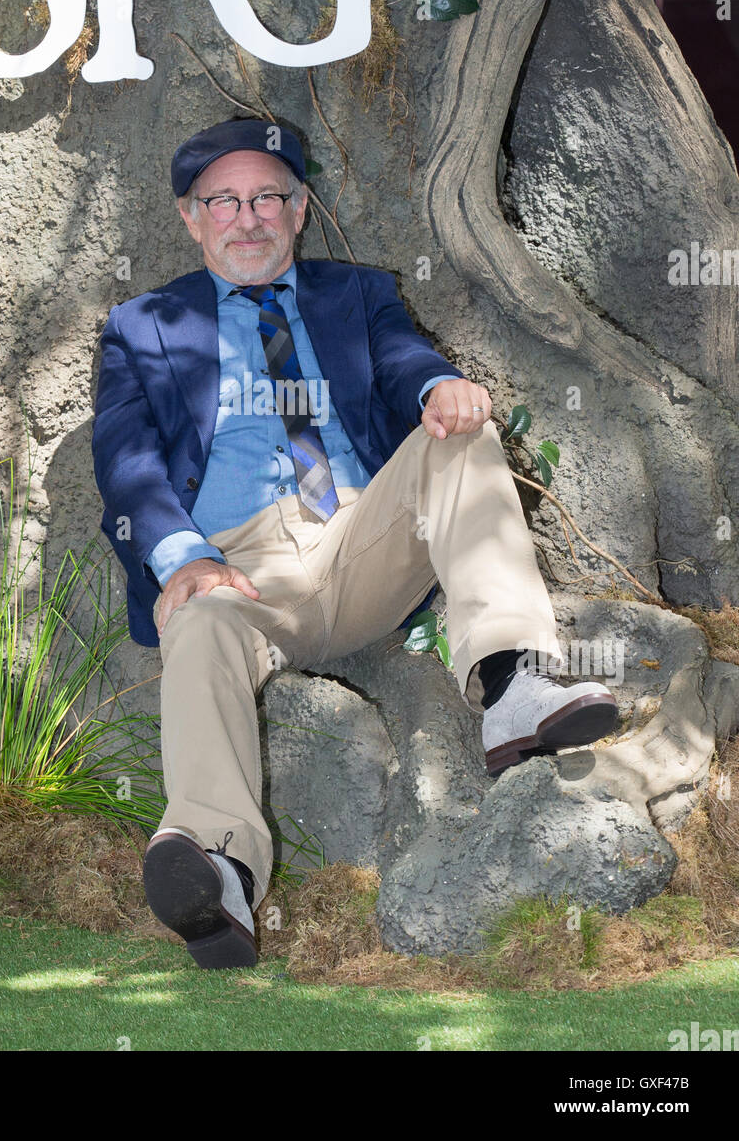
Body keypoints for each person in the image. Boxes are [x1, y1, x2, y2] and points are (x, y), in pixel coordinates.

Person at [91, 117, 618, 970]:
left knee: (461, 431)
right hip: (237, 567)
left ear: (300, 211)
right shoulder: (141, 325)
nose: (248, 216)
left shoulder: (355, 293)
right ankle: (219, 865)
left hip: (358, 538)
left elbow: (407, 360)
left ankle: (514, 679)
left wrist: (442, 386)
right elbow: (125, 462)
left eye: (269, 196)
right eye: (222, 201)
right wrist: (183, 556)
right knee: (198, 618)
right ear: (192, 220)